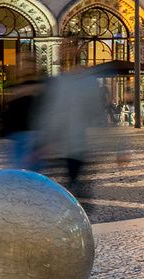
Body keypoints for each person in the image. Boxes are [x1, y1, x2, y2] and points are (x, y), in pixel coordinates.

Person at [37, 61, 110, 189]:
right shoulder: (59, 84)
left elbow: (95, 113)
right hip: (62, 144)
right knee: (63, 183)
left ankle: (75, 201)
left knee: (71, 183)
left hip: (75, 144)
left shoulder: (84, 85)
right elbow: (51, 112)